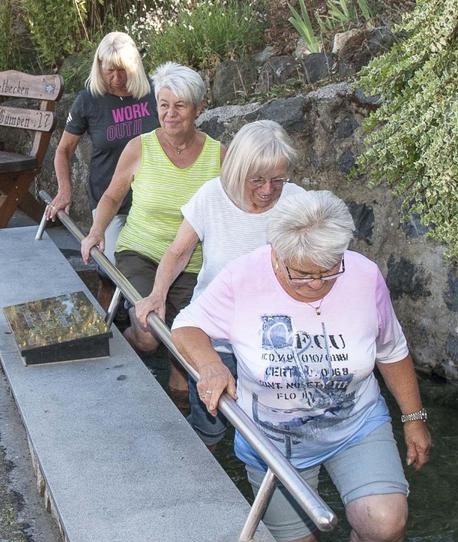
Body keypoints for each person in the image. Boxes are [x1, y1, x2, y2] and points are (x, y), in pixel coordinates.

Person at [171, 190, 432, 542]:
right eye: (301, 274)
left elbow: (391, 349)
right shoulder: (244, 278)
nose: (316, 284)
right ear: (275, 253)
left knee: (385, 523)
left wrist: (413, 417)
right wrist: (211, 365)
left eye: (328, 272)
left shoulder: (363, 276)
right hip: (274, 438)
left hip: (355, 423)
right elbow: (186, 327)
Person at [135, 120, 303, 447]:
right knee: (209, 420)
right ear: (238, 169)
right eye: (257, 180)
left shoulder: (297, 202)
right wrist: (157, 294)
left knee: (273, 428)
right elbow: (179, 251)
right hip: (215, 333)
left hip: (274, 338)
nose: (268, 190)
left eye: (277, 180)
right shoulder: (213, 196)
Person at [78, 61, 223, 398]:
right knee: (148, 334)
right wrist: (97, 231)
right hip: (140, 251)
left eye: (180, 106)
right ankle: (127, 341)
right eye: (163, 104)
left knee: (184, 340)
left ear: (199, 108)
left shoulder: (218, 156)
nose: (170, 114)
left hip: (192, 260)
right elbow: (113, 195)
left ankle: (181, 410)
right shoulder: (140, 146)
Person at [45, 32, 158, 269]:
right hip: (109, 199)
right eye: (110, 71)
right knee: (115, 267)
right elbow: (63, 150)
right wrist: (65, 191)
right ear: (99, 66)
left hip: (151, 197)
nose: (116, 78)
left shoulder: (154, 94)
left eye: (123, 70)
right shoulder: (89, 100)